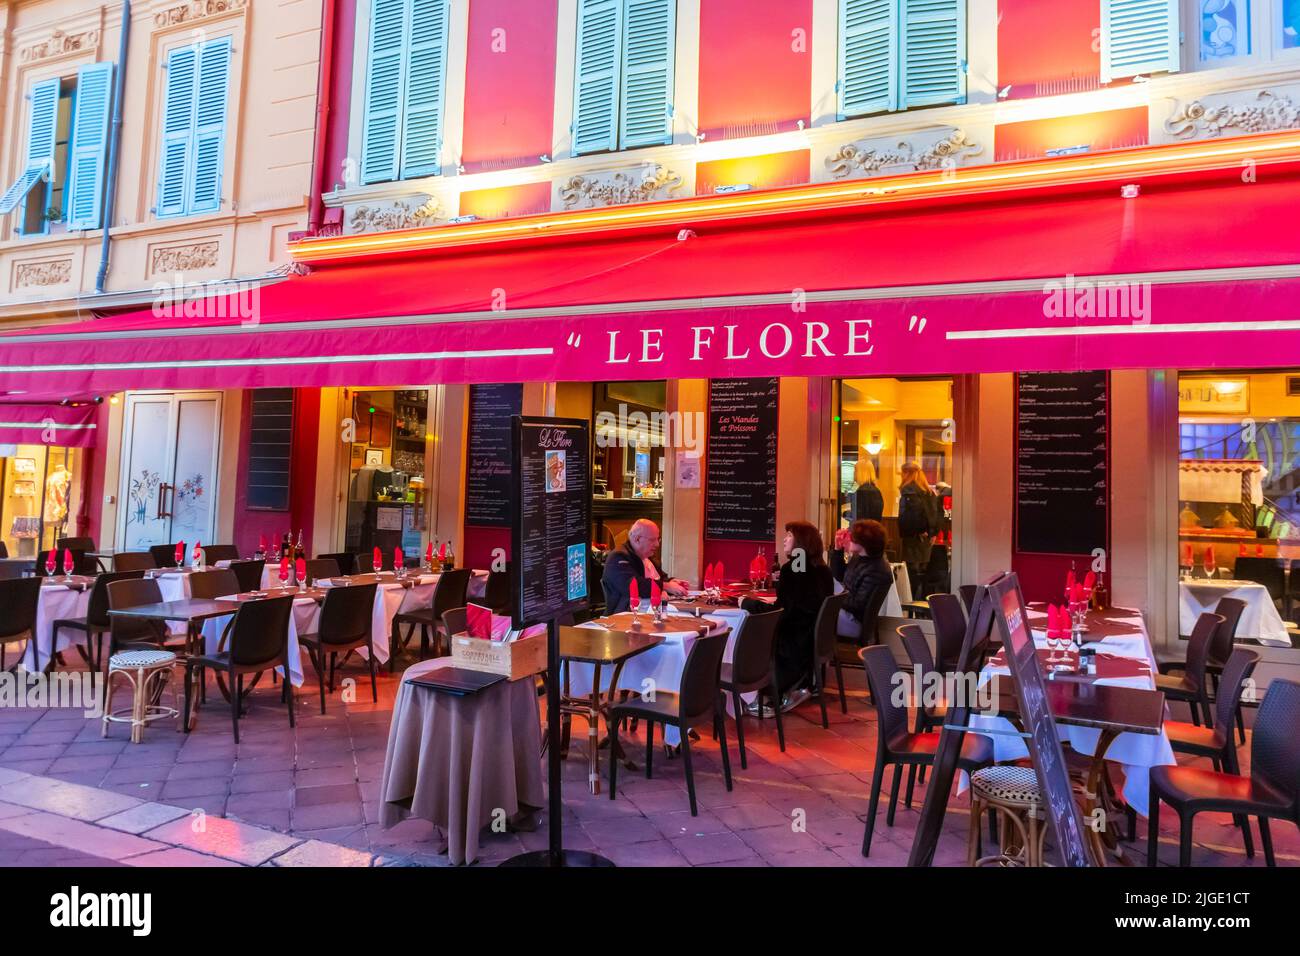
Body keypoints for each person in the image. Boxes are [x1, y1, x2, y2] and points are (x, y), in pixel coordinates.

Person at [747, 521, 834, 712]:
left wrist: (747, 604)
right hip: (811, 639)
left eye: (789, 535)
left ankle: (758, 692)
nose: (784, 539)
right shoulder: (822, 570)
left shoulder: (793, 569)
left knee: (747, 637)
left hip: (792, 644)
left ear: (801, 542)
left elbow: (780, 613)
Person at [600, 518, 688, 613]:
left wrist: (671, 582)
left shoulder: (646, 556)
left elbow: (660, 578)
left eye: (658, 539)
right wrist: (666, 586)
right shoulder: (618, 557)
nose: (657, 544)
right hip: (628, 616)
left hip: (656, 610)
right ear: (637, 539)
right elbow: (634, 585)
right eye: (652, 540)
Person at [830, 519, 893, 642]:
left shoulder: (876, 570)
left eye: (853, 537)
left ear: (864, 542)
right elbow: (839, 575)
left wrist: (832, 597)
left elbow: (856, 605)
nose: (849, 539)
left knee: (812, 614)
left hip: (854, 622)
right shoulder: (860, 557)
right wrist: (838, 549)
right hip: (846, 613)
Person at [898, 461, 938, 596]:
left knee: (912, 573)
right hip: (926, 539)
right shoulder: (929, 491)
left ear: (907, 474)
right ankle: (920, 604)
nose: (901, 477)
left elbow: (912, 515)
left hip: (914, 537)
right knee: (922, 572)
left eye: (902, 474)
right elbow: (935, 513)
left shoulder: (909, 490)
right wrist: (932, 532)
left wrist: (919, 530)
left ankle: (912, 605)